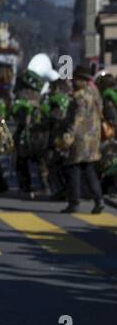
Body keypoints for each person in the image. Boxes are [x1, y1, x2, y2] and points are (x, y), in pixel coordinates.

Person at [58, 65, 105, 214]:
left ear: (81, 80)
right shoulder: (95, 93)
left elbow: (76, 121)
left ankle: (74, 203)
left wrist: (68, 137)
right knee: (90, 170)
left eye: (75, 79)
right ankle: (99, 200)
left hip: (80, 140)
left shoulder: (80, 97)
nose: (72, 82)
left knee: (74, 170)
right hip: (93, 139)